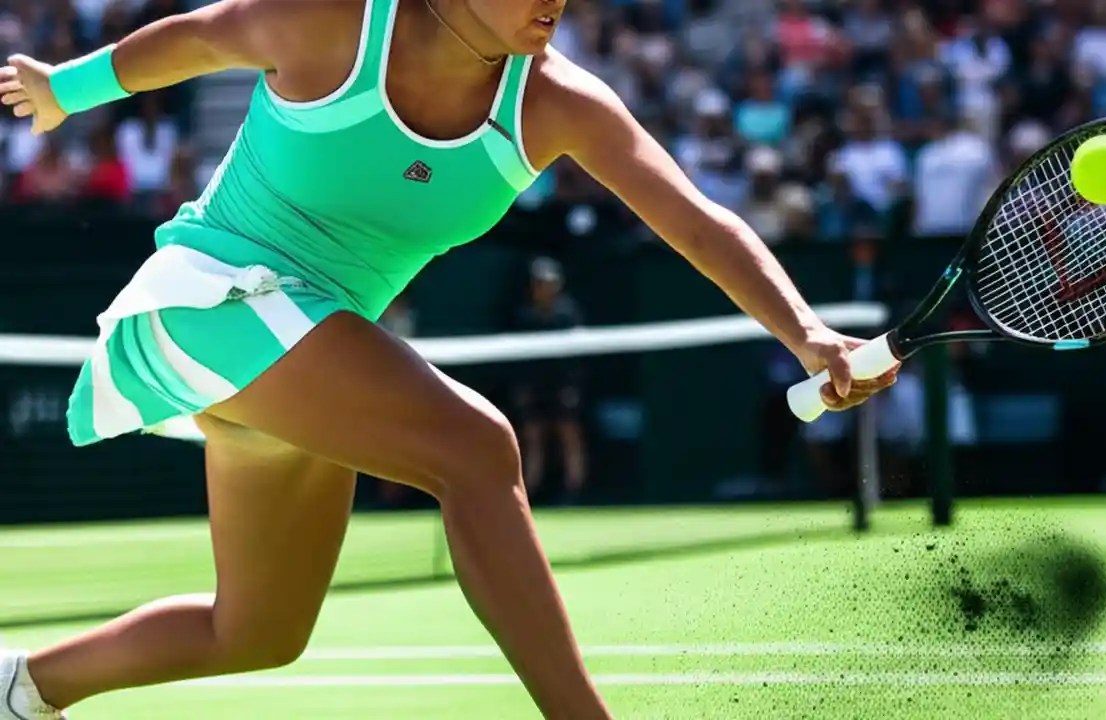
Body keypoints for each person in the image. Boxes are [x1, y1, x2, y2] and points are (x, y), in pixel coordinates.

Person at [0, 1, 899, 718]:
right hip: (210, 300)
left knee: (259, 631)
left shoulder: (558, 102)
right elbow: (202, 35)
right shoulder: (338, 22)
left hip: (302, 350)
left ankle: (24, 687)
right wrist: (62, 91)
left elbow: (698, 223)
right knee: (476, 448)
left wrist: (807, 335)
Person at [511, 256, 587, 504]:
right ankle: (528, 494)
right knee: (533, 438)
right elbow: (520, 359)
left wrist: (572, 387)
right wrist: (523, 388)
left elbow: (577, 358)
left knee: (569, 435)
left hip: (563, 388)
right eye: (541, 283)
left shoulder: (568, 315)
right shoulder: (524, 317)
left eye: (551, 282)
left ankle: (573, 490)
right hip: (534, 389)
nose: (546, 288)